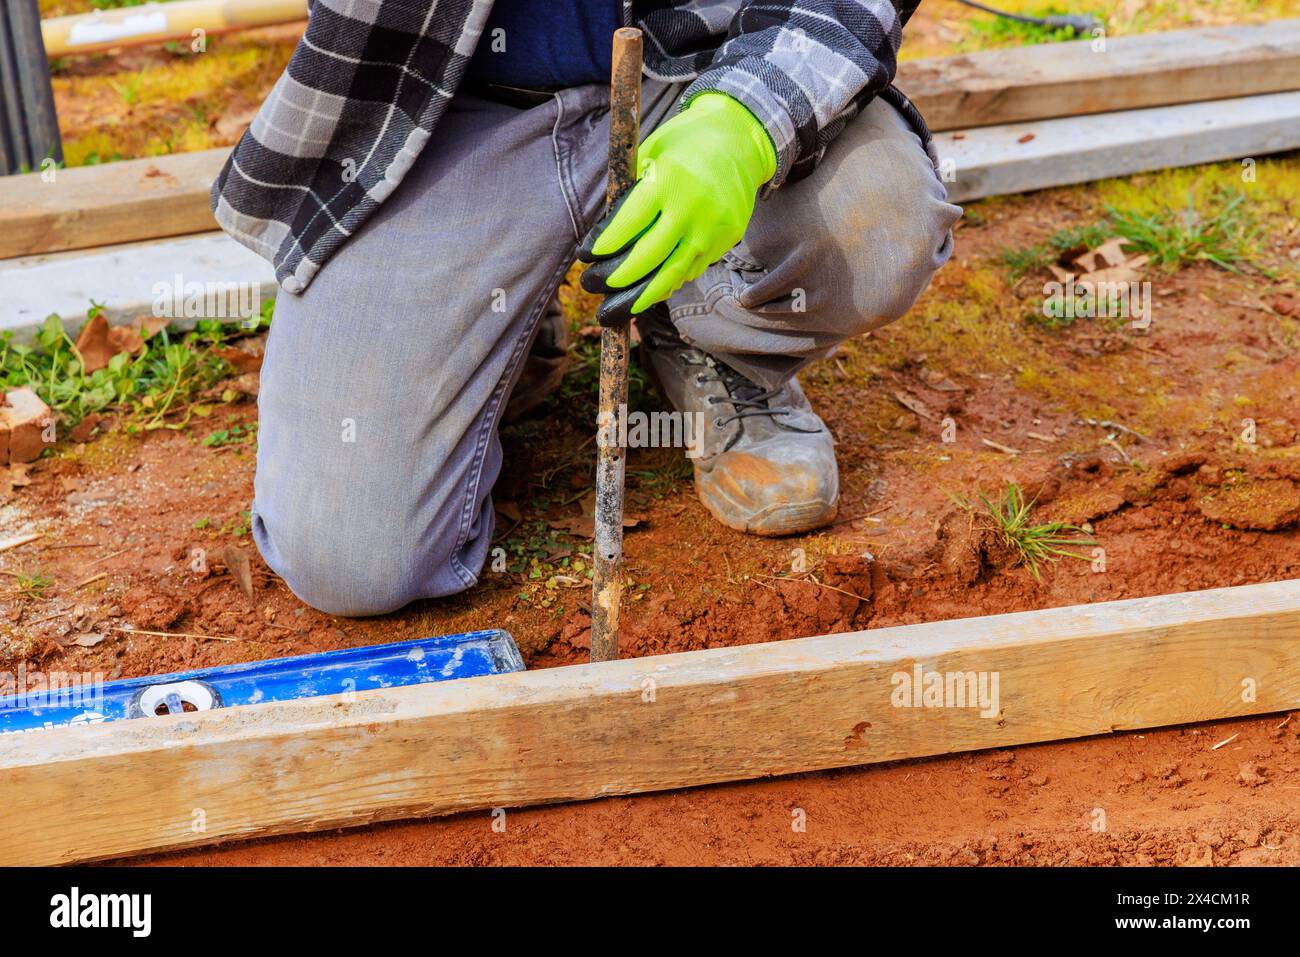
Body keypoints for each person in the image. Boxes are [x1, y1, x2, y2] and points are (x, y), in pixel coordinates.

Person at [211, 0, 961, 616]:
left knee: (879, 218)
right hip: (444, 106)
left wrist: (744, 124)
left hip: (707, 74)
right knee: (350, 557)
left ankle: (717, 334)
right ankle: (505, 329)